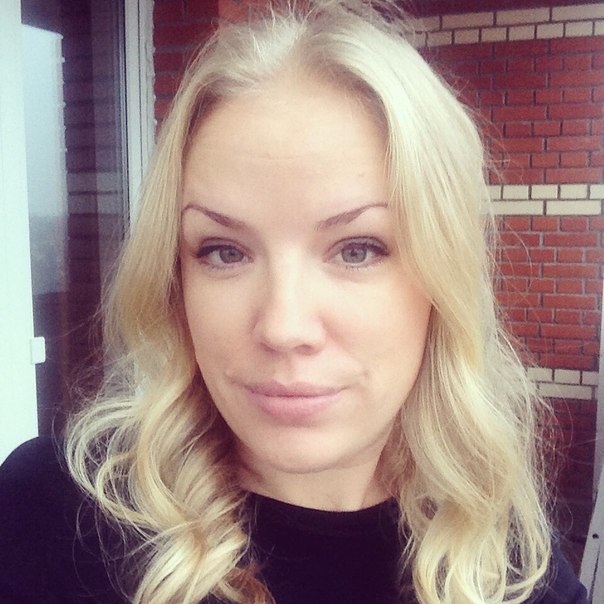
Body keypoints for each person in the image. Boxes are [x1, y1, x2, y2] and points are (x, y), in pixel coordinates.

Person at [0, 1, 589, 603]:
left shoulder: (508, 567)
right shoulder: (50, 518)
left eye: (357, 249)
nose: (283, 327)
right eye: (224, 251)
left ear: (444, 280)